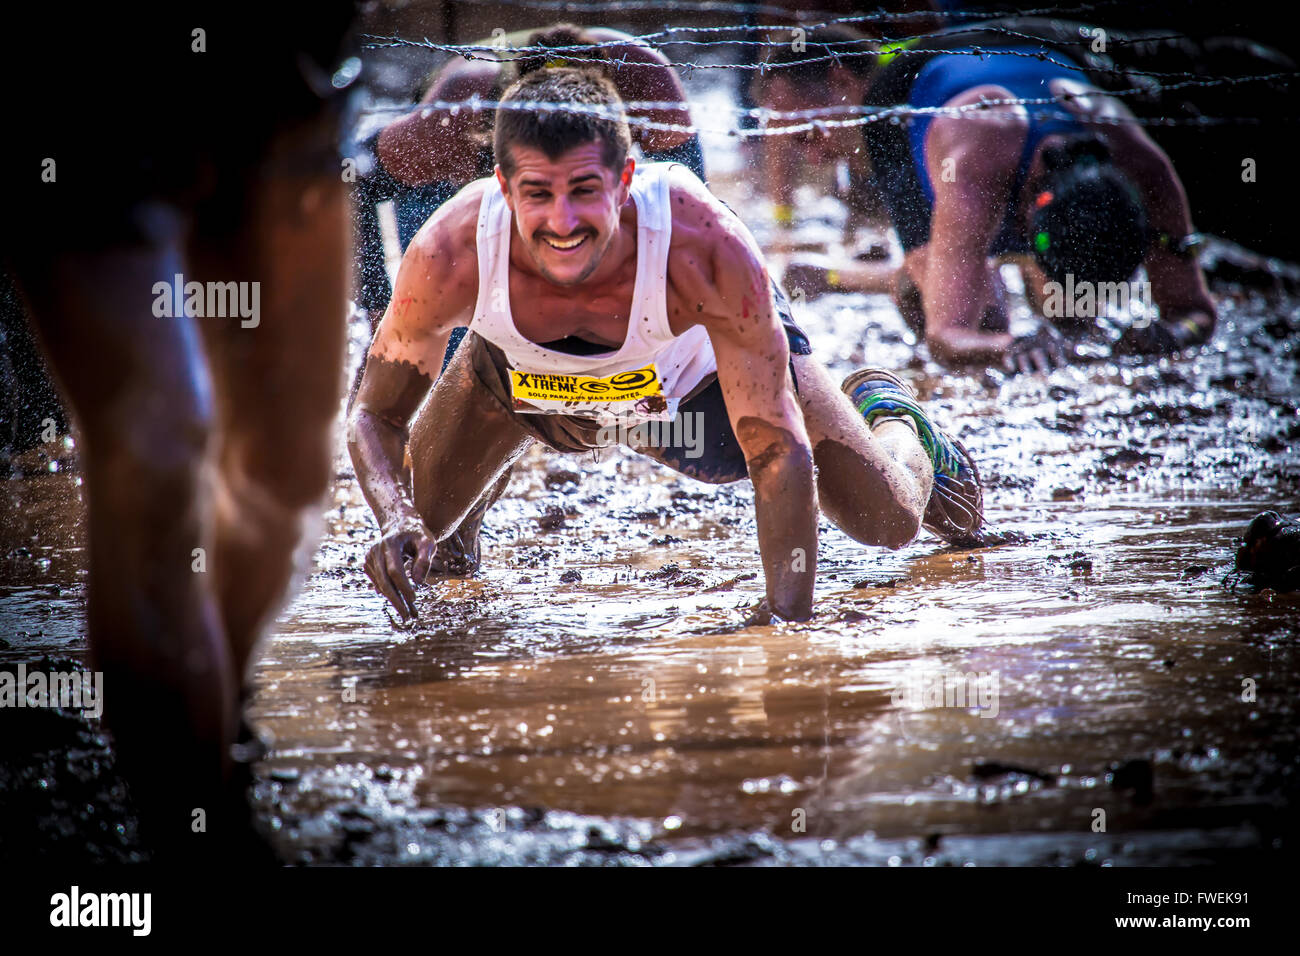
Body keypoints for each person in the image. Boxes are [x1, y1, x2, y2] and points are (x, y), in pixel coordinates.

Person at [348, 67, 988, 626]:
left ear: (625, 179)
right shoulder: (451, 249)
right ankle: (459, 544)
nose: (563, 223)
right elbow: (374, 415)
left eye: (584, 192)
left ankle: (892, 417)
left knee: (889, 523)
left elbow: (774, 449)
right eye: (538, 194)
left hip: (699, 393)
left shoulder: (702, 245)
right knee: (424, 560)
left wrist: (785, 628)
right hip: (518, 387)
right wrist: (393, 516)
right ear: (504, 188)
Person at [3, 3, 354, 860]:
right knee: (157, 452)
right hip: (80, 89)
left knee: (289, 468)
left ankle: (217, 714)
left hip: (279, 75)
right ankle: (191, 831)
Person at [754, 25, 1218, 373]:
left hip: (1041, 49)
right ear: (1027, 209)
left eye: (805, 133)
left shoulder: (1147, 169)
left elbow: (1195, 312)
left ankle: (839, 274)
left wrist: (1170, 334)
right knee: (950, 300)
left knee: (1070, 316)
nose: (805, 149)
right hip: (924, 86)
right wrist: (1010, 347)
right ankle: (844, 275)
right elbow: (946, 337)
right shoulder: (972, 163)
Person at [354, 22, 707, 333]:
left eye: (578, 171)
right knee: (453, 329)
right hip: (442, 183)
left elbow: (695, 211)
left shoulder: (644, 79)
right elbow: (351, 179)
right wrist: (377, 305)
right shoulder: (452, 122)